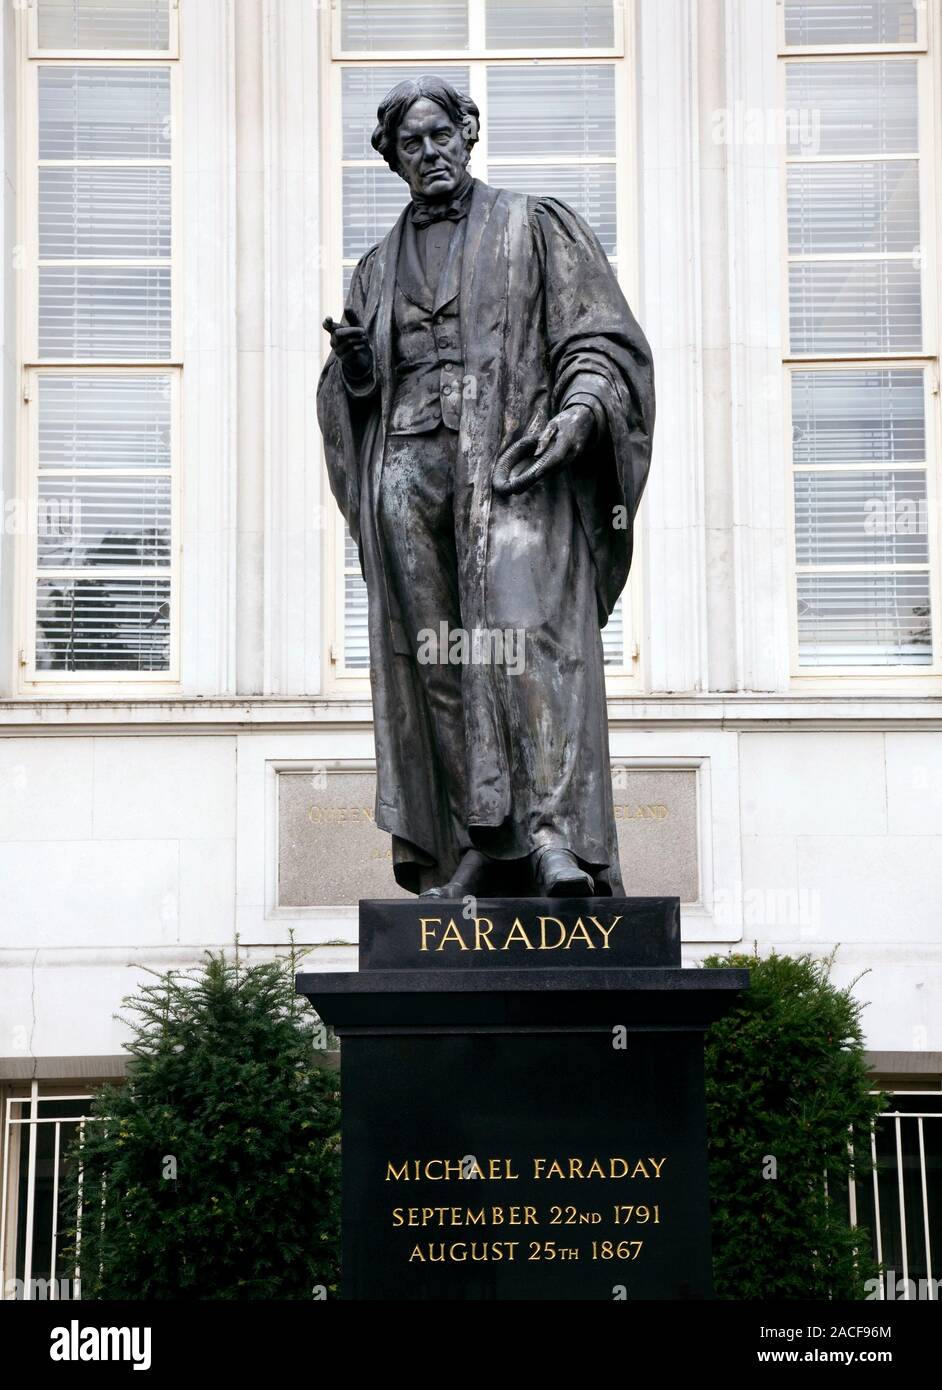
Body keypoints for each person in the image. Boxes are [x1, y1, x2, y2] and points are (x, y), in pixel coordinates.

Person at [318, 77, 655, 899]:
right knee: (437, 659)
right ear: (392, 160)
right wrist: (358, 373)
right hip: (406, 469)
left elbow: (599, 339)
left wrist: (581, 410)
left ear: (469, 133)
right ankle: (479, 838)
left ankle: (554, 837)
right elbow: (348, 393)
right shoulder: (374, 268)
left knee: (529, 637)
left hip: (509, 467)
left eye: (441, 136)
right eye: (411, 145)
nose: (429, 153)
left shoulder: (535, 226)